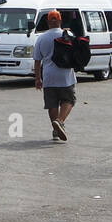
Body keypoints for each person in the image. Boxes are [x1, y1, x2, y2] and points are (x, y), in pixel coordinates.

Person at [33, 9, 75, 141]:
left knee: (52, 104)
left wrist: (38, 78)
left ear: (48, 22)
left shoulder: (41, 38)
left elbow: (37, 60)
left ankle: (56, 130)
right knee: (69, 100)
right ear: (60, 21)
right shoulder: (68, 34)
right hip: (66, 75)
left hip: (49, 76)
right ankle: (60, 122)